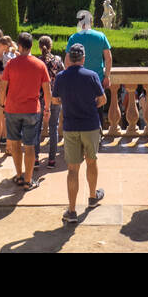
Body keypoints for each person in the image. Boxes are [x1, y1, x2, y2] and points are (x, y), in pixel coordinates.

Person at [53, 42, 106, 223]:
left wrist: (68, 103)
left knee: (72, 169)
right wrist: (90, 106)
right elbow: (102, 99)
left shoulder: (61, 77)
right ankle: (92, 197)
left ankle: (72, 210)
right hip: (90, 125)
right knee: (92, 161)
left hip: (70, 126)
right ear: (83, 58)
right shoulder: (91, 76)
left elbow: (54, 100)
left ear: (68, 58)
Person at [0, 32, 52, 189]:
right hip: (32, 110)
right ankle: (28, 181)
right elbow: (47, 91)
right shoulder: (40, 65)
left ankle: (20, 176)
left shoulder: (11, 64)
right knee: (30, 146)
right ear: (31, 46)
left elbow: (3, 87)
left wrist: (2, 104)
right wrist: (47, 108)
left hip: (12, 109)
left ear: (19, 46)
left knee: (15, 145)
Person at [67, 10, 113, 127]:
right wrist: (107, 76)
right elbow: (108, 58)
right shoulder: (101, 36)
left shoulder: (74, 38)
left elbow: (67, 61)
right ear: (91, 22)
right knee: (98, 111)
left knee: (78, 110)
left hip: (77, 80)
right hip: (97, 79)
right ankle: (98, 139)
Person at [36, 35, 64, 168]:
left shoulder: (37, 61)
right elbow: (64, 76)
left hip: (40, 98)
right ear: (51, 46)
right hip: (55, 97)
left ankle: (35, 159)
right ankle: (51, 160)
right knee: (54, 128)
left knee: (36, 128)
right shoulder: (58, 60)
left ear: (39, 47)